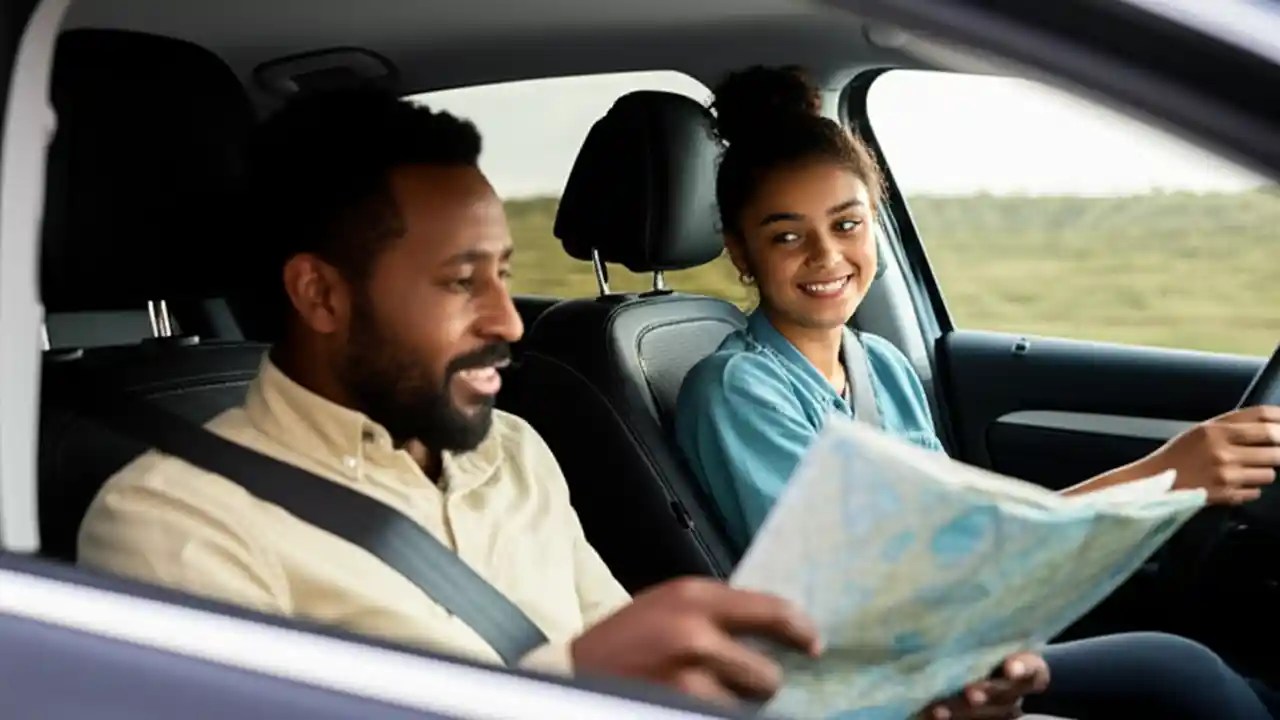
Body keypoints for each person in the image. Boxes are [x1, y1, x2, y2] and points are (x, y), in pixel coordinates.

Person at [73, 86, 1047, 719]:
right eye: (460, 281)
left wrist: (904, 695)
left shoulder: (513, 455)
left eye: (503, 274)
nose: (507, 319)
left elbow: (657, 688)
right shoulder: (171, 525)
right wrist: (573, 680)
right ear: (322, 294)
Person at [674, 65, 1280, 719]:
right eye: (786, 236)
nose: (826, 255)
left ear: (874, 222)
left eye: (847, 225)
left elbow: (954, 537)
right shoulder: (737, 390)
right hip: (862, 685)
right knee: (1180, 673)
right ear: (741, 252)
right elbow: (873, 592)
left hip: (938, 648)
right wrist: (1163, 476)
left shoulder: (880, 364)